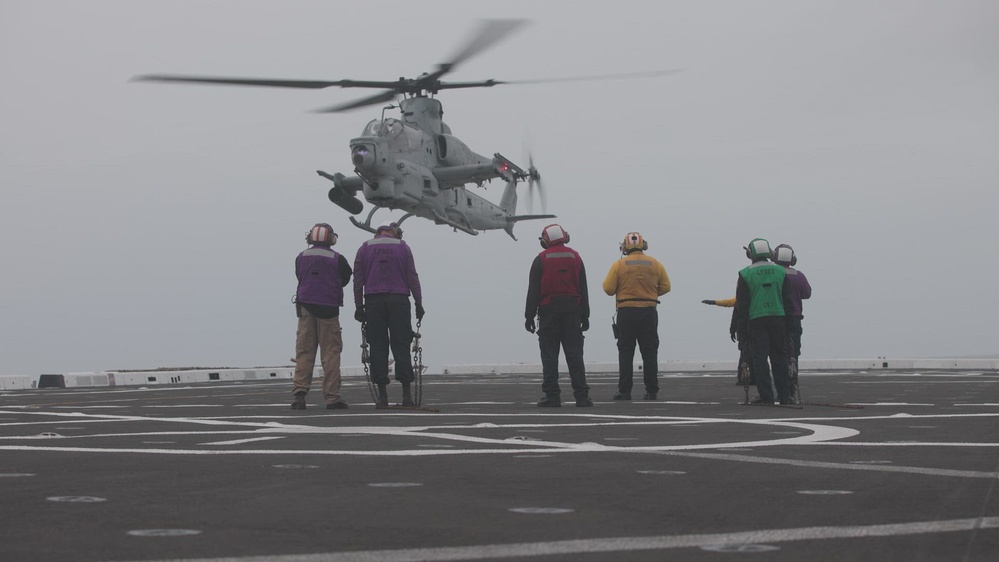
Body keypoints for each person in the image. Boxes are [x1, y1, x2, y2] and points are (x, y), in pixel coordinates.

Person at [353, 223, 424, 408]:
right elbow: (412, 276)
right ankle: (406, 395)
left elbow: (358, 280)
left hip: (373, 301)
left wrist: (359, 306)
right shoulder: (403, 247)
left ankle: (382, 397)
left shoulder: (364, 248)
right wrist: (418, 302)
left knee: (378, 346)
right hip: (399, 300)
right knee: (401, 345)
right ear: (393, 234)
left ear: (377, 234)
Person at [524, 224, 593, 407]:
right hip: (573, 312)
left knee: (549, 356)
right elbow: (583, 288)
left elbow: (533, 291)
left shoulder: (540, 259)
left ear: (545, 241)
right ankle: (582, 396)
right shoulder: (576, 257)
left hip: (549, 313)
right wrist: (585, 315)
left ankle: (552, 396)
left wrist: (529, 316)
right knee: (575, 355)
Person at [602, 232, 671, 400]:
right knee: (649, 351)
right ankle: (652, 390)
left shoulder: (619, 265)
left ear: (625, 247)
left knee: (626, 351)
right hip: (649, 311)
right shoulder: (656, 264)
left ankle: (625, 391)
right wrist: (650, 293)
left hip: (627, 312)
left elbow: (608, 289)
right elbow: (666, 286)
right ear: (643, 245)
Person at [292, 223, 353, 410]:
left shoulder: (301, 257)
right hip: (329, 310)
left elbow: (299, 275)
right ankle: (332, 397)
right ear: (331, 239)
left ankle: (299, 395)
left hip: (305, 308)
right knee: (331, 354)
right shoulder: (337, 258)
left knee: (304, 352)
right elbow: (345, 278)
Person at [735, 238, 793, 405]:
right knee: (779, 357)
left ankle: (766, 396)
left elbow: (742, 306)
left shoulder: (745, 273)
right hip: (779, 318)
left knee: (760, 358)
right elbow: (787, 300)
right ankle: (784, 395)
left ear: (750, 254)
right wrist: (790, 326)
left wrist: (742, 332)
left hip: (756, 319)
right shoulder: (780, 272)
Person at [771, 244, 812, 359]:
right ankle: (793, 371)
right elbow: (807, 294)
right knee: (794, 351)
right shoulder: (799, 276)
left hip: (776, 317)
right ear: (792, 259)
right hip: (795, 318)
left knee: (777, 351)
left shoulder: (773, 274)